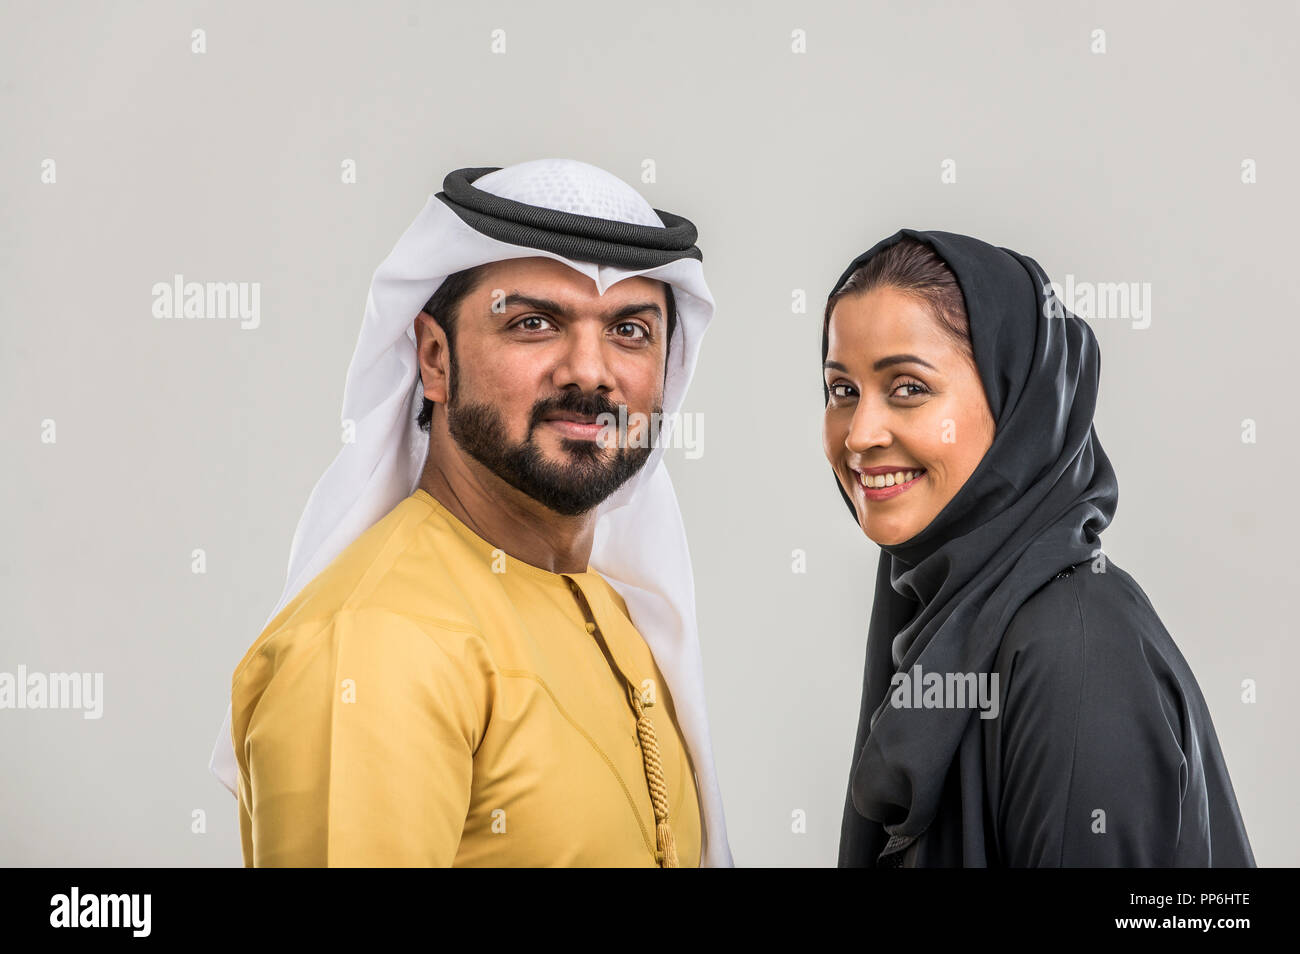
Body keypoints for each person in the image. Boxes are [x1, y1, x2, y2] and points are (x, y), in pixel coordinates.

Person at [207, 159, 733, 867]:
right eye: (535, 323)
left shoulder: (613, 612)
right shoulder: (374, 646)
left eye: (630, 331)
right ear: (434, 358)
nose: (589, 370)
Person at [822, 229, 1255, 867]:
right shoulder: (946, 613)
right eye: (842, 390)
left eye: (908, 388)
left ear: (1016, 406)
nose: (860, 434)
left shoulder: (1074, 649)